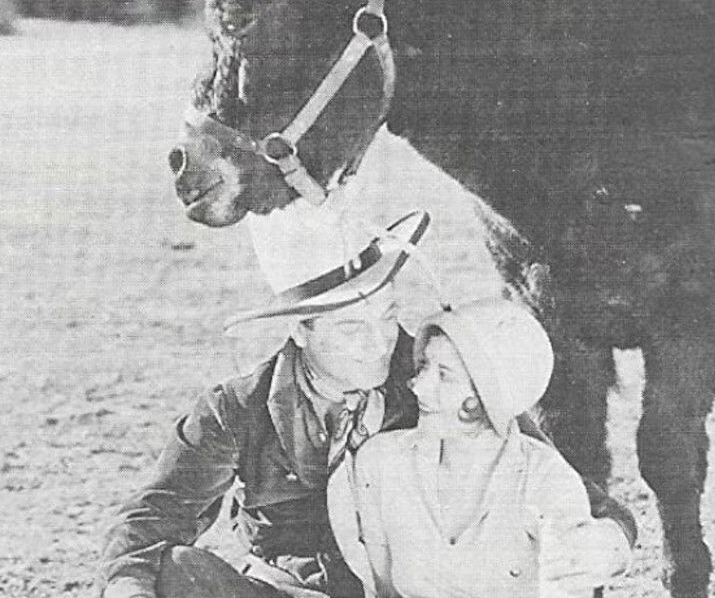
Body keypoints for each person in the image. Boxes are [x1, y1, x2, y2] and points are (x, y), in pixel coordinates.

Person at [99, 212, 635, 598]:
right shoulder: (238, 409)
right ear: (300, 330)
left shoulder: (437, 379)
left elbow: (560, 485)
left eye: (387, 315)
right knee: (177, 571)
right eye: (352, 327)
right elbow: (152, 518)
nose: (381, 343)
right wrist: (127, 586)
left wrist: (608, 538)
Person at [328, 298, 631, 598]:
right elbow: (384, 591)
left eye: (444, 375)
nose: (417, 386)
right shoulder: (381, 462)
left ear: (490, 397)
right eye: (422, 366)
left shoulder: (547, 480)